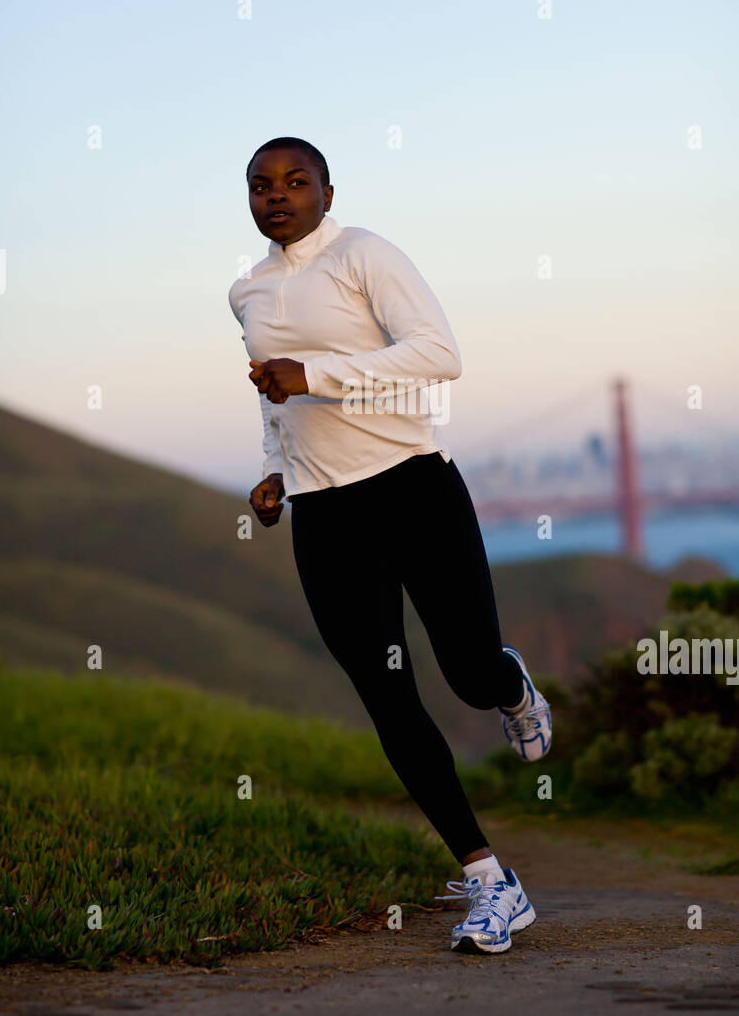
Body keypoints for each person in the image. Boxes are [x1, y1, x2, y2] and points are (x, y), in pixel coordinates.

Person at [229, 136, 552, 954]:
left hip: (413, 487)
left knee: (468, 672)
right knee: (387, 696)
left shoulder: (365, 255)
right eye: (262, 186)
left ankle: (510, 687)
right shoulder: (249, 293)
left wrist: (319, 374)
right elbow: (275, 398)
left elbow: (440, 357)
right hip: (325, 516)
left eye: (297, 182)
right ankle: (489, 879)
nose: (280, 196)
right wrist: (273, 470)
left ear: (327, 194)